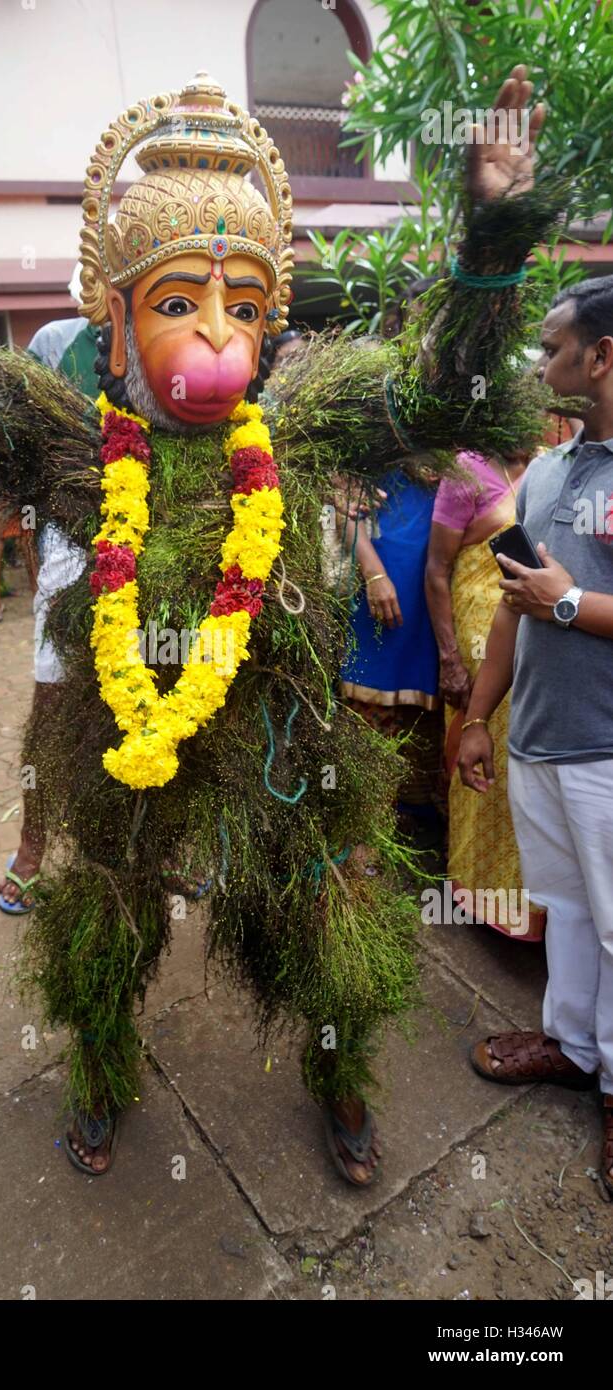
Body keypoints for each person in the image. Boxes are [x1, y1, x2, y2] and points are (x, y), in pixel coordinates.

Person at [0, 56, 556, 1187]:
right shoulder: (73, 445)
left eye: (243, 307)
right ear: (118, 312)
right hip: (124, 753)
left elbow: (441, 398)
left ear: (271, 321)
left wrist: (489, 253)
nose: (217, 335)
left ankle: (339, 1079)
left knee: (332, 929)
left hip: (283, 751)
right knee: (103, 926)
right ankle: (101, 1075)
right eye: (180, 303)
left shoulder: (302, 426)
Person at [459, 274, 613, 1198]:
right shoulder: (548, 470)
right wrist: (479, 717)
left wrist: (570, 602)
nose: (540, 364)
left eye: (553, 349)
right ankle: (573, 1046)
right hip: (541, 741)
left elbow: (552, 601)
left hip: (608, 751)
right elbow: (513, 608)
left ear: (602, 356)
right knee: (568, 910)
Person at [0, 305, 94, 913]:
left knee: (160, 698)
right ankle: (32, 849)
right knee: (52, 709)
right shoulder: (59, 343)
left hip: (161, 552)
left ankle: (161, 848)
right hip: (70, 554)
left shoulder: (181, 341)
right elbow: (12, 463)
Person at [426, 448, 545, 941]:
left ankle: (533, 904)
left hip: (536, 638)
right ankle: (476, 889)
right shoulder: (466, 469)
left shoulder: (550, 466)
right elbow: (437, 568)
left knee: (523, 767)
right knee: (479, 757)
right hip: (480, 648)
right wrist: (449, 658)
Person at [340, 463, 442, 829]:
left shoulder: (464, 453)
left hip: (440, 587)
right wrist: (374, 574)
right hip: (383, 577)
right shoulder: (370, 440)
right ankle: (367, 830)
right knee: (370, 708)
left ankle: (423, 826)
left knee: (433, 715)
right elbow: (344, 506)